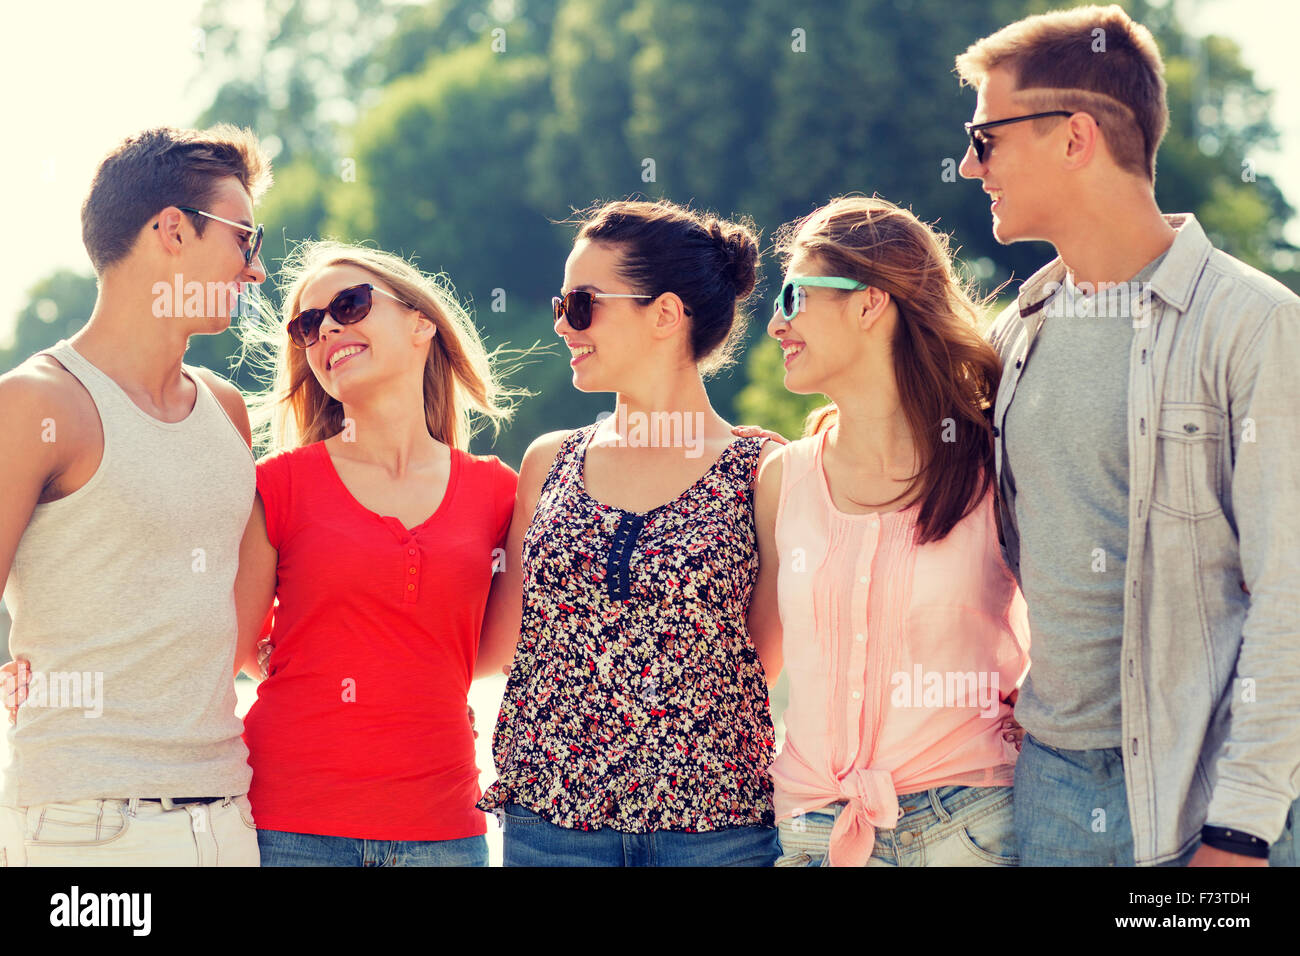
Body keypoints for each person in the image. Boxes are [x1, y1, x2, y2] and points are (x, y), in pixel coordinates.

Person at [955, 4, 1300, 866]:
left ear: (1075, 137)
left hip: (1205, 794)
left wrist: (1243, 825)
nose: (968, 165)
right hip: (1050, 790)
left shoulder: (1253, 325)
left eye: (985, 137)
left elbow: (1290, 595)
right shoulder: (1016, 335)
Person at [474, 199, 783, 866]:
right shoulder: (547, 462)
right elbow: (499, 642)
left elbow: (759, 664)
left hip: (716, 830)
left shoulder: (764, 471)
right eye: (561, 306)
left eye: (582, 305)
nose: (563, 325)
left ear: (666, 314)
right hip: (551, 826)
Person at [0, 125, 270, 866]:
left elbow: (232, 630)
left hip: (227, 818)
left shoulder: (226, 410)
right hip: (82, 829)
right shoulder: (35, 403)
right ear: (172, 230)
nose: (256, 269)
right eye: (245, 238)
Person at [738, 195, 1030, 867]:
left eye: (793, 296)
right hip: (816, 832)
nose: (777, 324)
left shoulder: (993, 463)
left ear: (870, 302)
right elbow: (754, 664)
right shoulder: (781, 478)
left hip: (970, 828)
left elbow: (1072, 626)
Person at [228, 240, 519, 866]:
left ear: (421, 324)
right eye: (308, 325)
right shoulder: (277, 485)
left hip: (445, 828)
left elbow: (491, 650)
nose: (327, 329)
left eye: (350, 305)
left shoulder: (498, 492)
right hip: (288, 826)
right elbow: (232, 650)